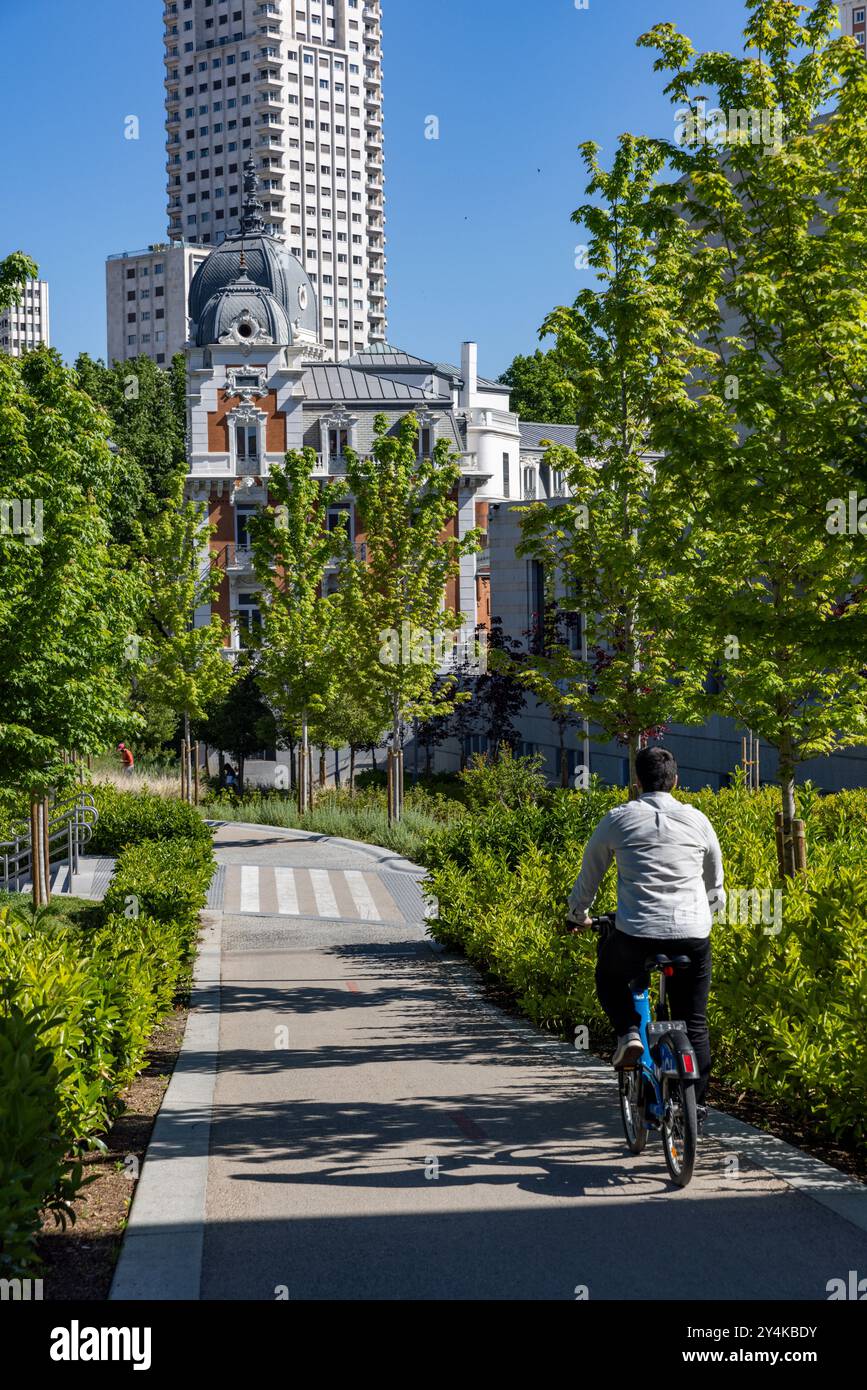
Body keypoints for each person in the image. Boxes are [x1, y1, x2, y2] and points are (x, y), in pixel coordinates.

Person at [566, 746, 723, 1127]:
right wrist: (705, 918)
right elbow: (715, 886)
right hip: (692, 936)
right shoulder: (699, 820)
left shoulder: (617, 819)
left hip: (637, 934)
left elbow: (590, 875)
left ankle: (629, 1033)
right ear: (677, 780)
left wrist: (577, 916)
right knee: (695, 1022)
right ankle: (695, 1108)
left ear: (635, 783)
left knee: (608, 975)